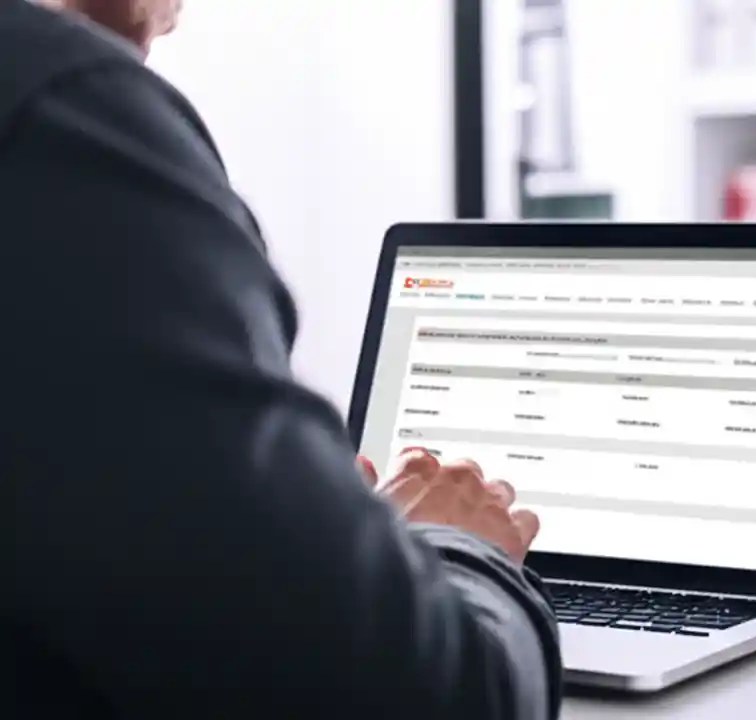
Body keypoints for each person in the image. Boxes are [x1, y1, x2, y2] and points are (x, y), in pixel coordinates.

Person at [1, 0, 561, 717]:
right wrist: (460, 550)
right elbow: (420, 697)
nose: (171, 19)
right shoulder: (60, 115)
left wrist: (341, 546)